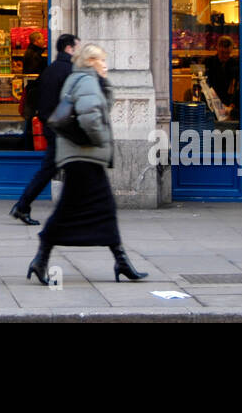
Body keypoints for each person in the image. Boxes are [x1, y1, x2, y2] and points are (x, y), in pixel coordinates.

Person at [26, 43, 147, 285]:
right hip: (83, 156)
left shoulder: (83, 79)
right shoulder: (87, 80)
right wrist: (102, 140)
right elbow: (90, 115)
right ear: (91, 62)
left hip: (82, 157)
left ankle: (120, 261)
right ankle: (43, 258)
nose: (105, 65)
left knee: (99, 208)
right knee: (87, 209)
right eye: (101, 60)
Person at [10, 33, 78, 225]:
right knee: (54, 170)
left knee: (63, 169)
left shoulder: (50, 70)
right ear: (69, 48)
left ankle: (24, 206)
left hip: (53, 127)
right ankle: (23, 206)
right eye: (77, 48)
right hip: (61, 130)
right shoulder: (68, 71)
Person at [203, 35, 239, 118]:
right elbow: (206, 85)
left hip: (229, 103)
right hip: (211, 103)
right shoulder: (209, 62)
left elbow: (237, 86)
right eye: (222, 52)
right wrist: (216, 103)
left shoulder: (235, 64)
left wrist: (232, 104)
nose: (225, 56)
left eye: (228, 53)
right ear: (217, 48)